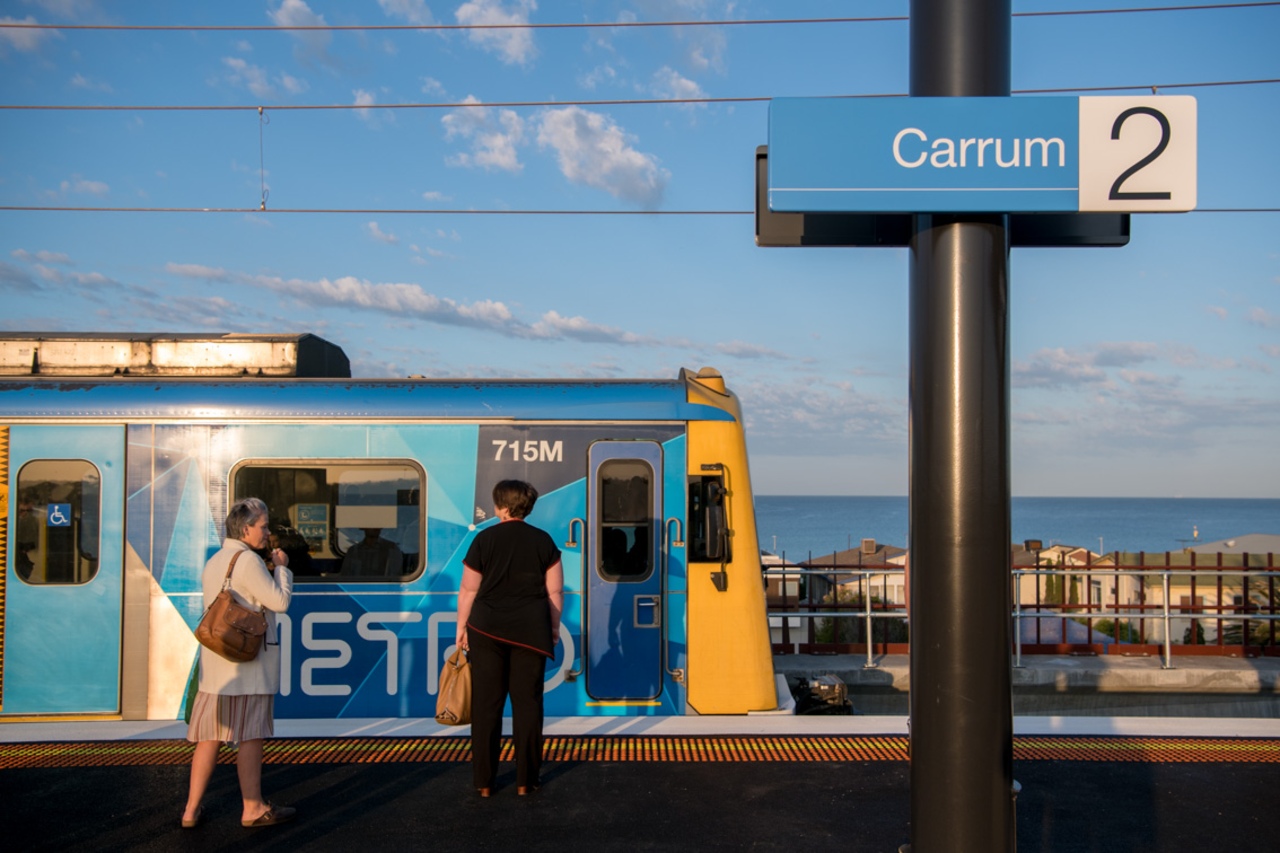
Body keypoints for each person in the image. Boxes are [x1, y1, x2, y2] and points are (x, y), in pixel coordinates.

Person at [183, 497, 295, 829]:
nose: (268, 532)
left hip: (217, 670)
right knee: (250, 735)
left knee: (209, 738)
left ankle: (190, 811)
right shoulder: (247, 561)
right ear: (246, 529)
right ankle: (253, 807)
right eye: (263, 526)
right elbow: (280, 602)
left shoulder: (217, 560)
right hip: (248, 667)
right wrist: (284, 569)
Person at [456, 480, 564, 798]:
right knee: (527, 705)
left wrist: (462, 627)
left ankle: (485, 783)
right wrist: (554, 628)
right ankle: (525, 781)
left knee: (487, 705)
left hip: (486, 629)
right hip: (530, 631)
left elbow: (469, 589)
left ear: (502, 507)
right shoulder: (543, 541)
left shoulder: (484, 539)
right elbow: (554, 591)